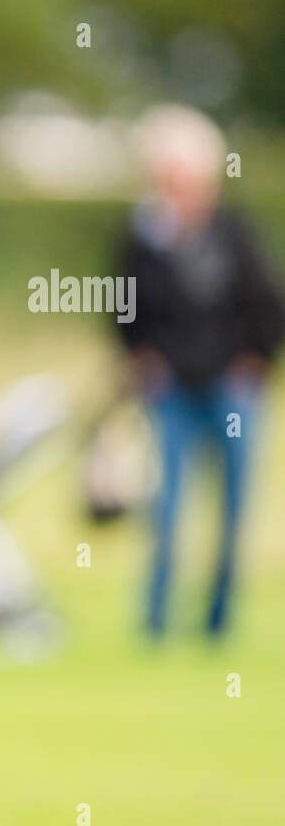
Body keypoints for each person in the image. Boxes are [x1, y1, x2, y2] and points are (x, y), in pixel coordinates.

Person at [118, 104, 285, 636]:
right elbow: (124, 308)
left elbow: (266, 304)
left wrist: (255, 363)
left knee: (234, 507)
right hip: (170, 390)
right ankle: (157, 619)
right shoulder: (143, 237)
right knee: (165, 506)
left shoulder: (235, 233)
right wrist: (142, 357)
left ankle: (218, 620)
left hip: (231, 388)